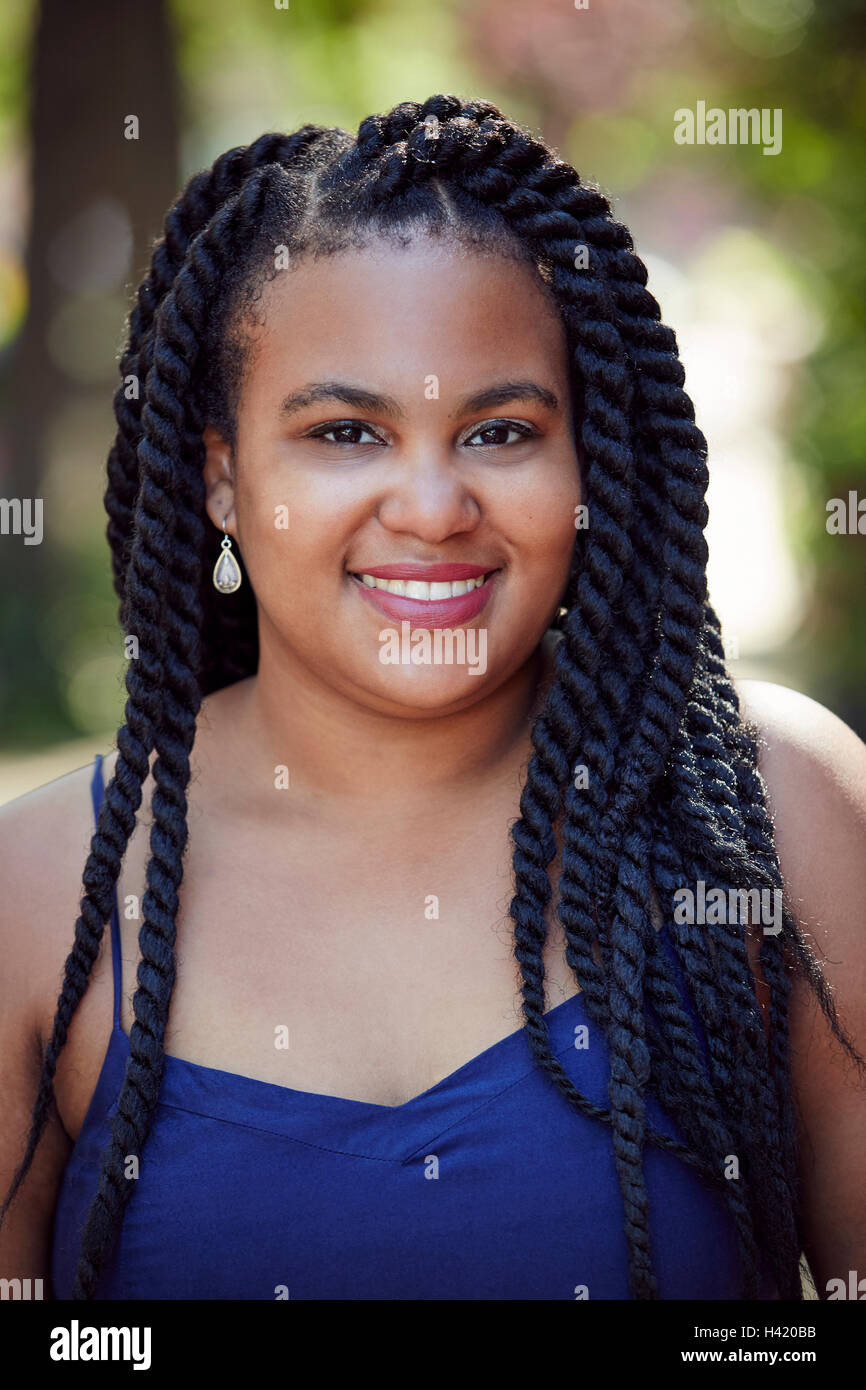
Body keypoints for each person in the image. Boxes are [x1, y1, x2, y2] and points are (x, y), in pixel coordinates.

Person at [1, 94, 864, 1302]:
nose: (431, 505)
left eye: (500, 430)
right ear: (218, 479)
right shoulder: (38, 893)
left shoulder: (776, 814)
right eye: (346, 431)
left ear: (591, 463)